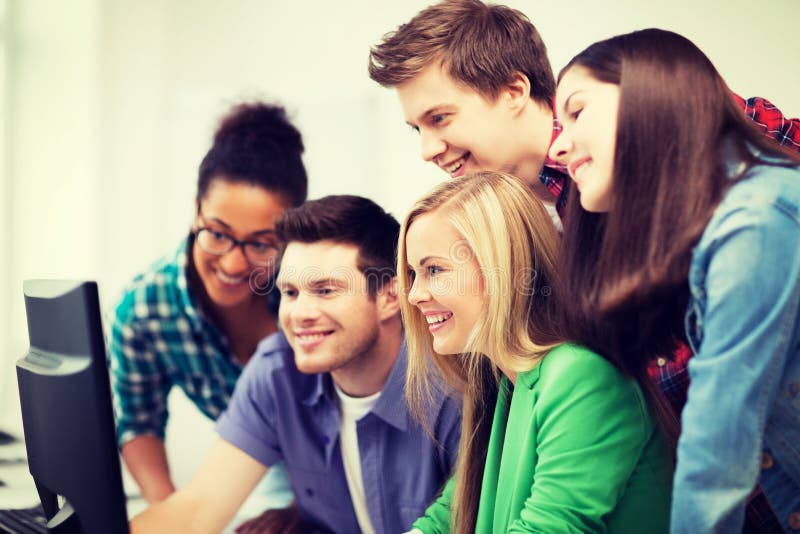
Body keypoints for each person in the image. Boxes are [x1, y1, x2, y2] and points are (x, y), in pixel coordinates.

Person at [369, 3, 800, 529]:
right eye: (417, 128)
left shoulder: (637, 140)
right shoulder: (513, 227)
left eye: (440, 118)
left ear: (513, 91)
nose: (428, 149)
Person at [547, 28, 800, 533]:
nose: (558, 147)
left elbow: (717, 447)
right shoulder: (714, 231)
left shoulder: (755, 218)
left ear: (651, 95)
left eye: (577, 112)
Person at [130, 195, 461, 534]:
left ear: (390, 297)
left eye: (325, 290)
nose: (299, 315)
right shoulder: (277, 372)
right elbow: (199, 507)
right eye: (290, 293)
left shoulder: (453, 388)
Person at [398, 172, 672, 533]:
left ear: (505, 269)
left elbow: (549, 527)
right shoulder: (502, 381)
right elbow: (450, 512)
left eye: (435, 270)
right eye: (413, 273)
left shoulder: (581, 376)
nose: (415, 294)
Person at [108, 102, 306, 504]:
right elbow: (138, 421)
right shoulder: (144, 308)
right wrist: (168, 511)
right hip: (260, 473)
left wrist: (306, 509)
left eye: (261, 243)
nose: (234, 263)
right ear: (195, 211)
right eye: (217, 233)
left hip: (339, 472)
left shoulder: (314, 290)